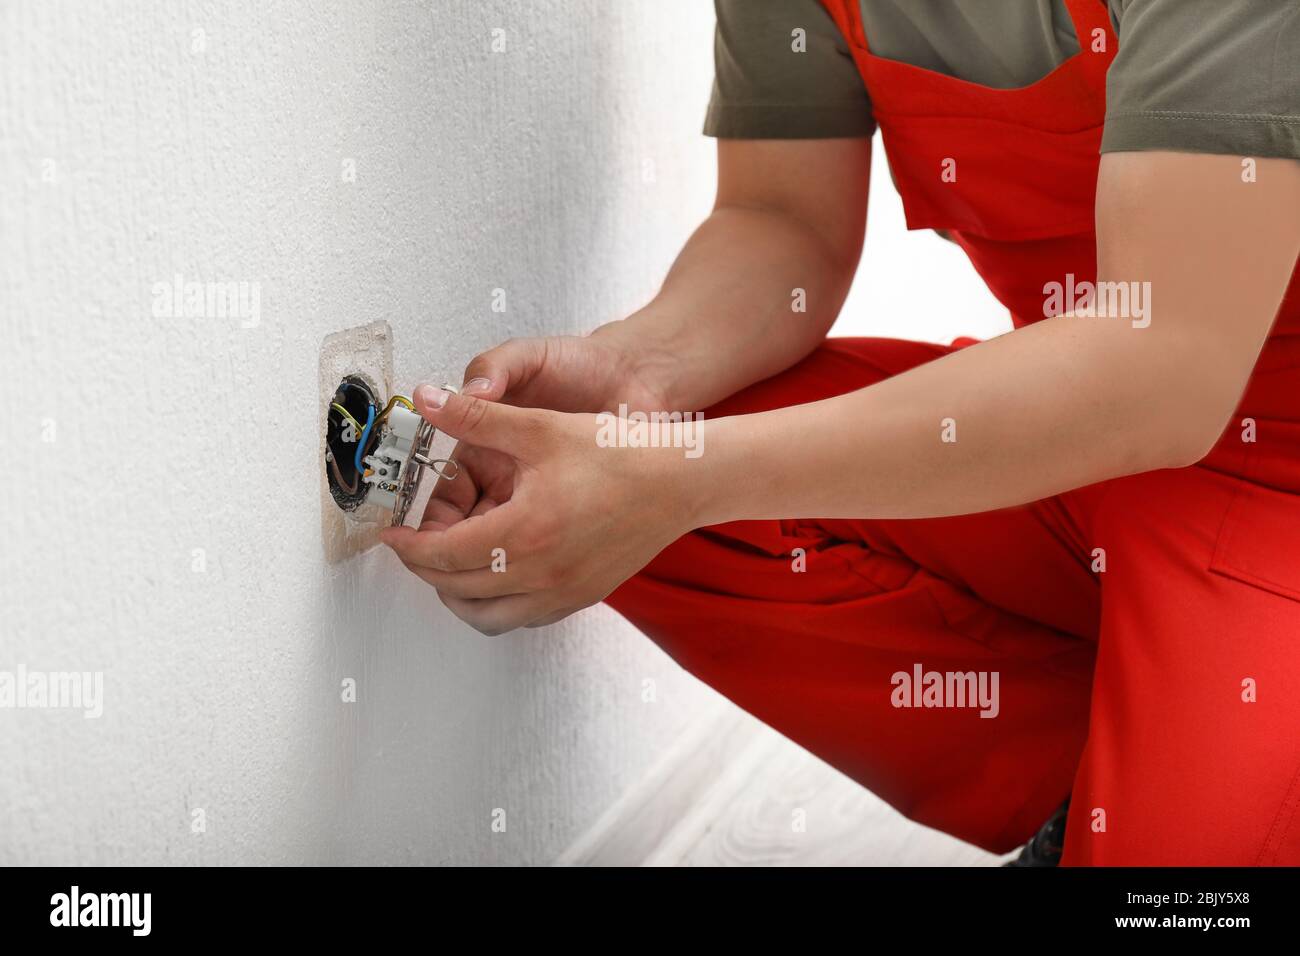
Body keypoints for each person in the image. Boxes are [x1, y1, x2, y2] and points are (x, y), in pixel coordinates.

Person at [381, 0, 1300, 866]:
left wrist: (680, 477)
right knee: (633, 443)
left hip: (1262, 485)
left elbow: (1165, 365)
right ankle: (1120, 772)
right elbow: (782, 222)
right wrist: (639, 376)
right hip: (1097, 453)